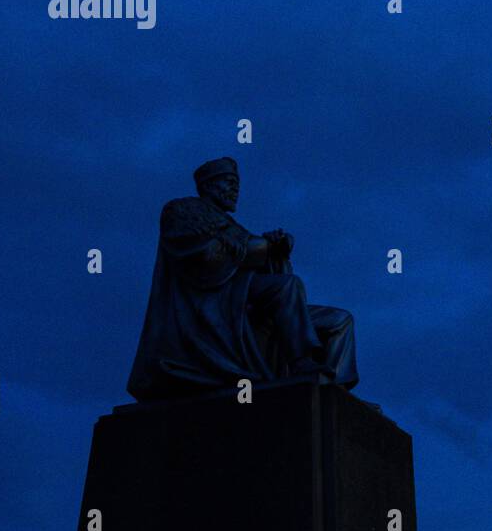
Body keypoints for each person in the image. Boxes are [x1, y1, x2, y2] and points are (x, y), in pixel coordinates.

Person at [127, 156, 359, 401]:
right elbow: (207, 257)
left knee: (340, 320)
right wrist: (261, 247)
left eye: (237, 183)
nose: (235, 189)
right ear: (206, 186)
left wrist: (276, 250)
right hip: (214, 304)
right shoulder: (183, 211)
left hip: (250, 306)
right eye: (228, 182)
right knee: (287, 286)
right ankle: (302, 360)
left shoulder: (233, 226)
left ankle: (335, 393)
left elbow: (257, 259)